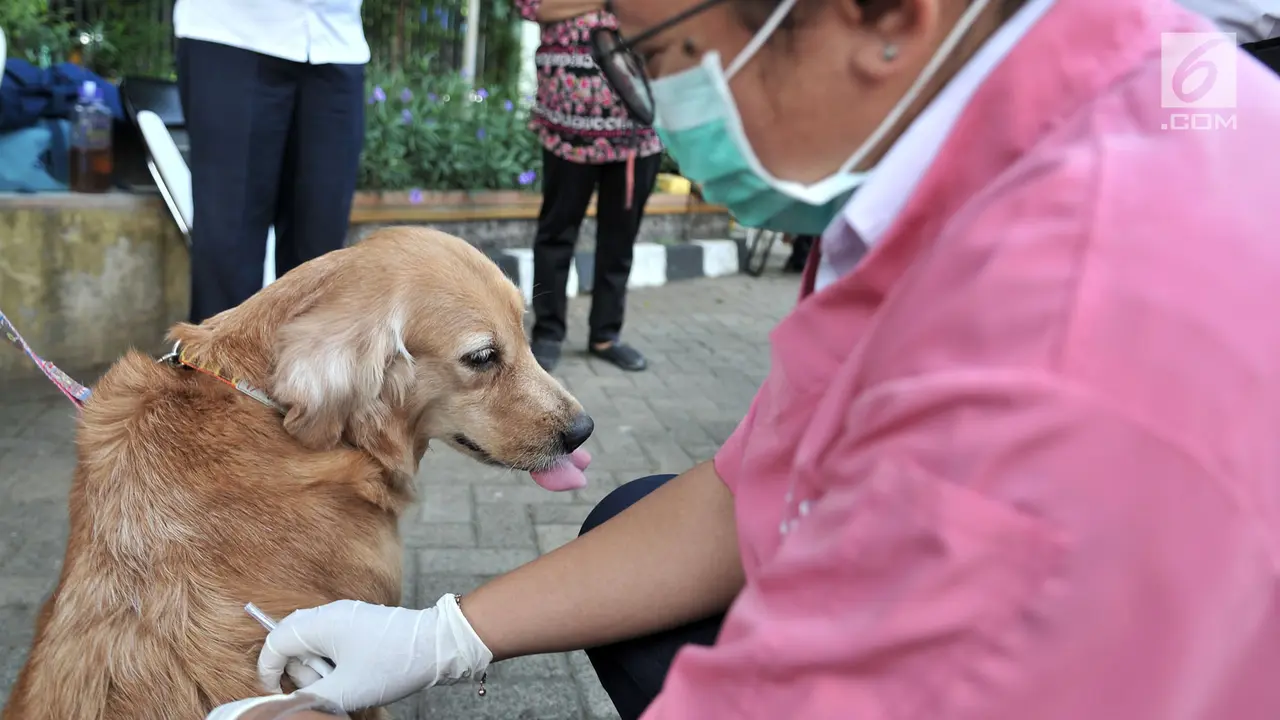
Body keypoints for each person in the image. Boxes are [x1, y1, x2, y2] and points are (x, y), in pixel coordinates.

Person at [211, 0, 1280, 718]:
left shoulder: (1058, 347)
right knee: (633, 515)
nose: (662, 118)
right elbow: (757, 486)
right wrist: (443, 635)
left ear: (884, 17)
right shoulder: (1021, 128)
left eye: (663, 58)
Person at [173, 0, 368, 324]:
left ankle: (300, 362)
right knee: (229, 256)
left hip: (335, 40)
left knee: (319, 259)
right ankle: (221, 359)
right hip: (232, 32)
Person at [519, 0, 664, 373]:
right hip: (566, 130)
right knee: (556, 234)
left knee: (620, 240)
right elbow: (536, 7)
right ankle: (548, 333)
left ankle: (606, 335)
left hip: (637, 131)